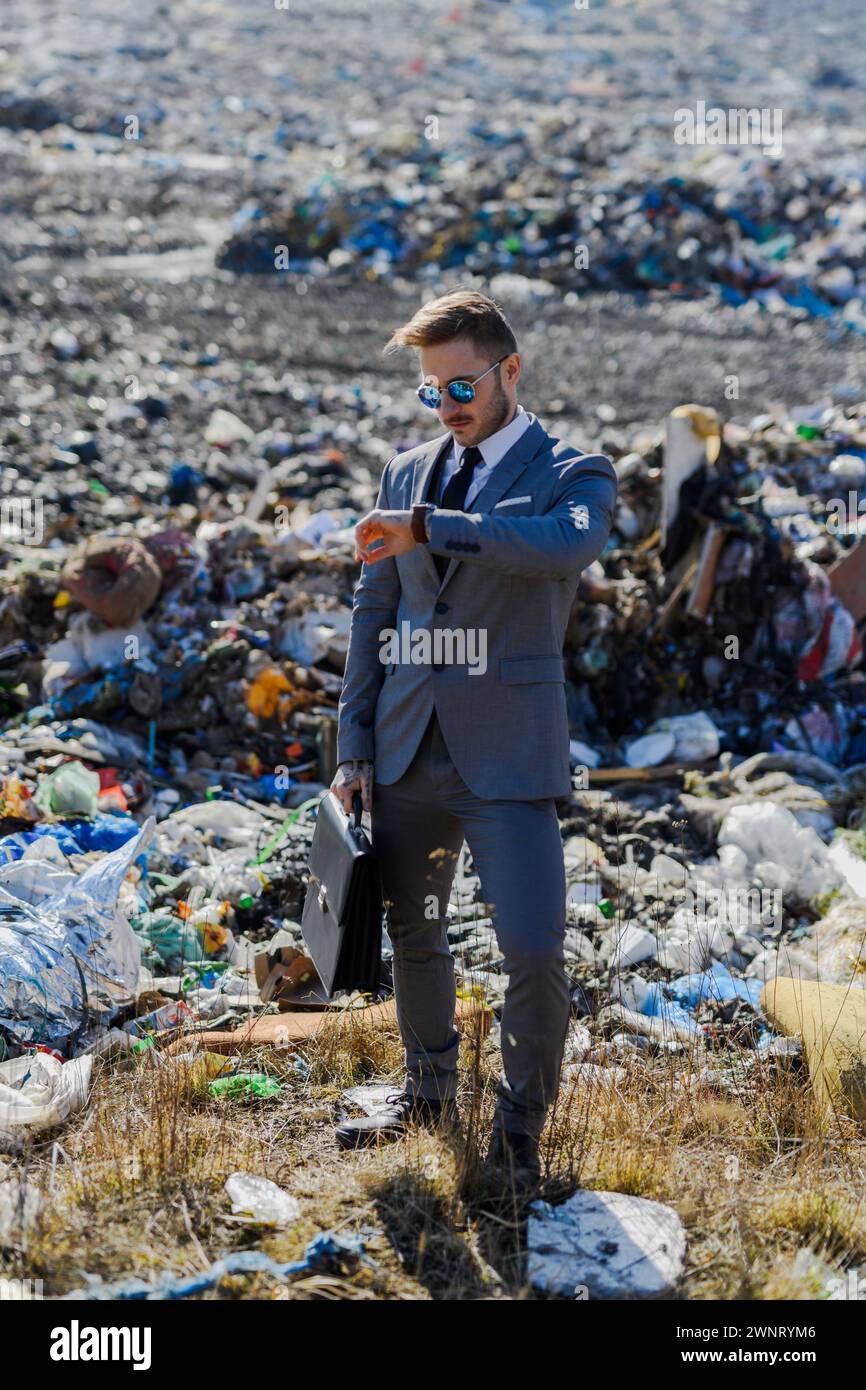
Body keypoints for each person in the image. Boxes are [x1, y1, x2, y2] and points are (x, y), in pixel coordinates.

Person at [330, 289, 617, 1188]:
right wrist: (354, 745)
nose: (448, 407)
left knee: (533, 947)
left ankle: (520, 1132)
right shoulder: (404, 471)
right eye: (432, 392)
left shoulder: (577, 473)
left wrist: (433, 525)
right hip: (409, 741)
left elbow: (559, 550)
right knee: (414, 931)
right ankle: (426, 1089)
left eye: (461, 388)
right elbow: (375, 609)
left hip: (509, 751)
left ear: (511, 372)